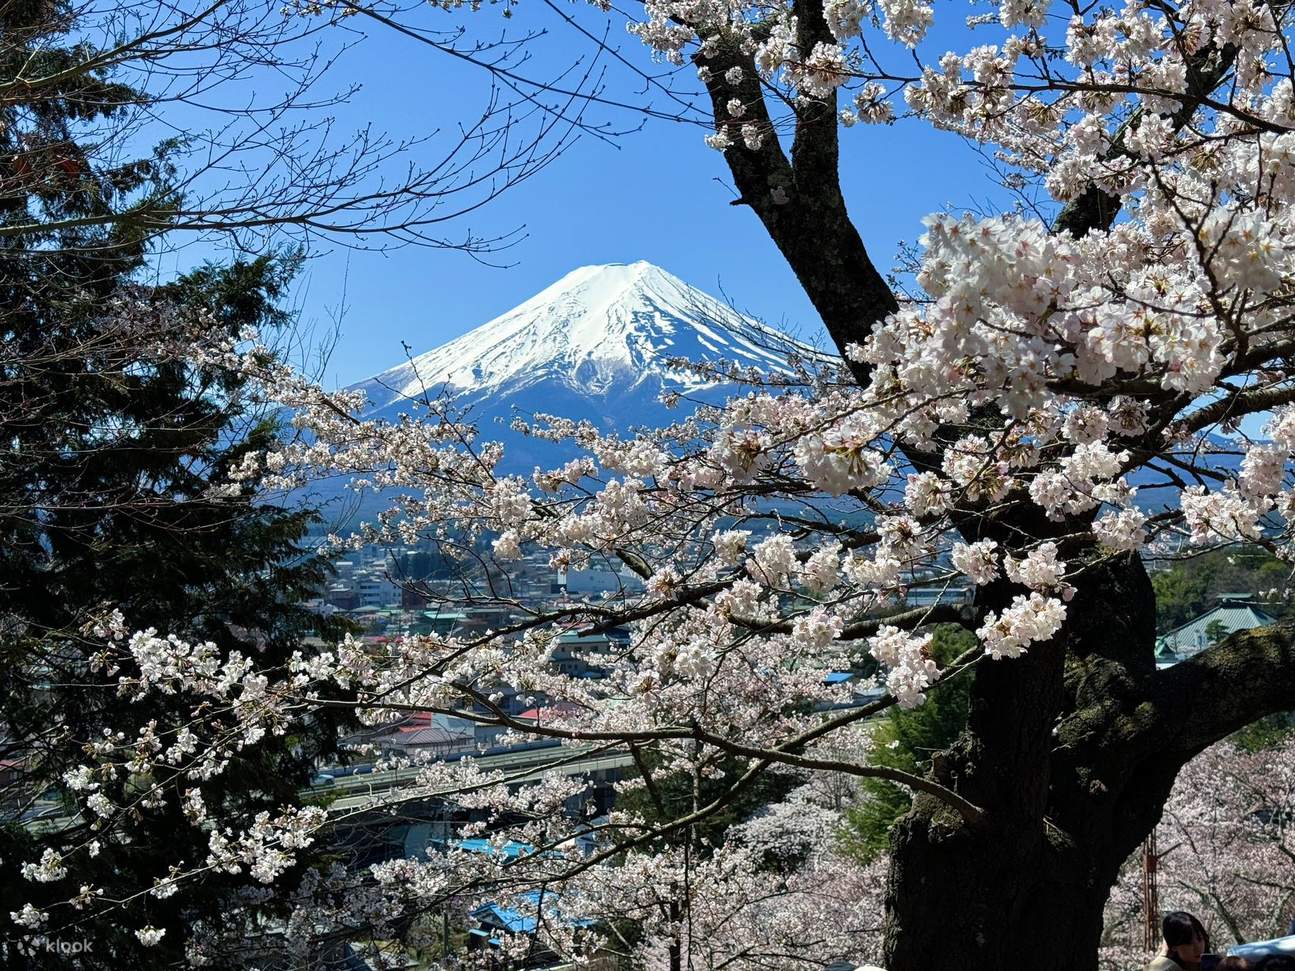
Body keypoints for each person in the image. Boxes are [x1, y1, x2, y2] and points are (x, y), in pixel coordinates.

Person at [1147, 912, 1211, 971]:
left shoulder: (1214, 965)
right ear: (1174, 946)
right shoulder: (1167, 968)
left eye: (1200, 939)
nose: (1198, 948)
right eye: (1188, 943)